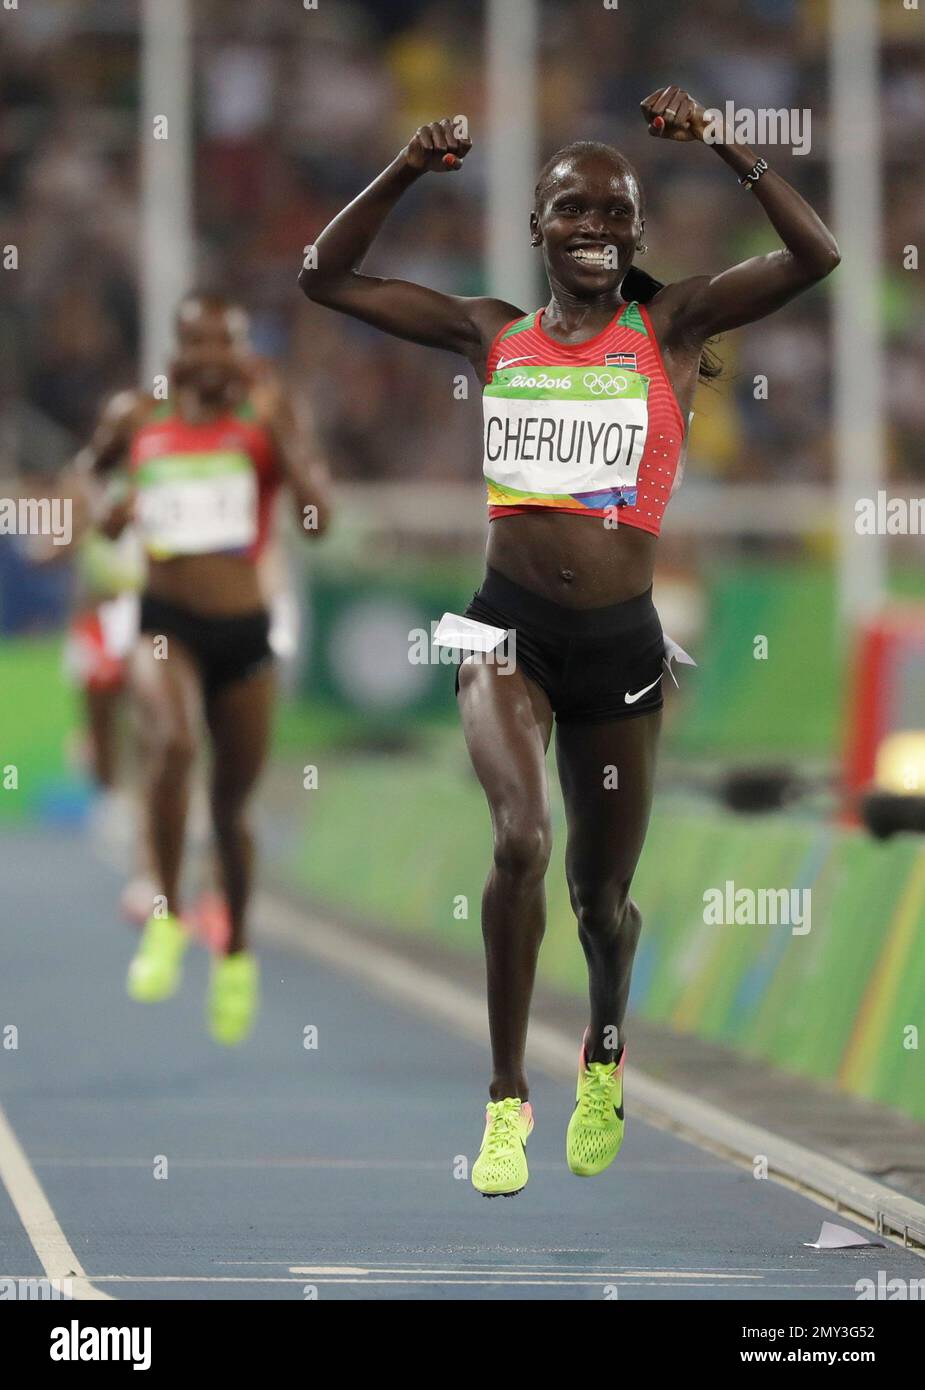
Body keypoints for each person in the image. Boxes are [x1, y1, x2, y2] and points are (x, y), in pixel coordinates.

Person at [298, 87, 839, 1194]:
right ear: (537, 227)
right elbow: (325, 276)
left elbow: (815, 254)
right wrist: (405, 167)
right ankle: (505, 1100)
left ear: (635, 233)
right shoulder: (491, 331)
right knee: (519, 842)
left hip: (620, 649)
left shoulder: (672, 326)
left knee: (600, 904)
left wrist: (722, 142)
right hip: (507, 630)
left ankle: (602, 1055)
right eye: (571, 209)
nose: (593, 225)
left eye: (613, 212)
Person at [78, 292, 331, 1044]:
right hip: (164, 621)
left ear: (244, 352)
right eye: (200, 343)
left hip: (244, 630)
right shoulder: (137, 416)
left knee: (230, 810)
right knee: (173, 741)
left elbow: (319, 521)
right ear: (178, 350)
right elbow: (87, 474)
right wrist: (110, 507)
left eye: (228, 343)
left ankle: (237, 953)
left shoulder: (265, 414)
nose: (214, 358)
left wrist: (290, 452)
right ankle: (165, 910)